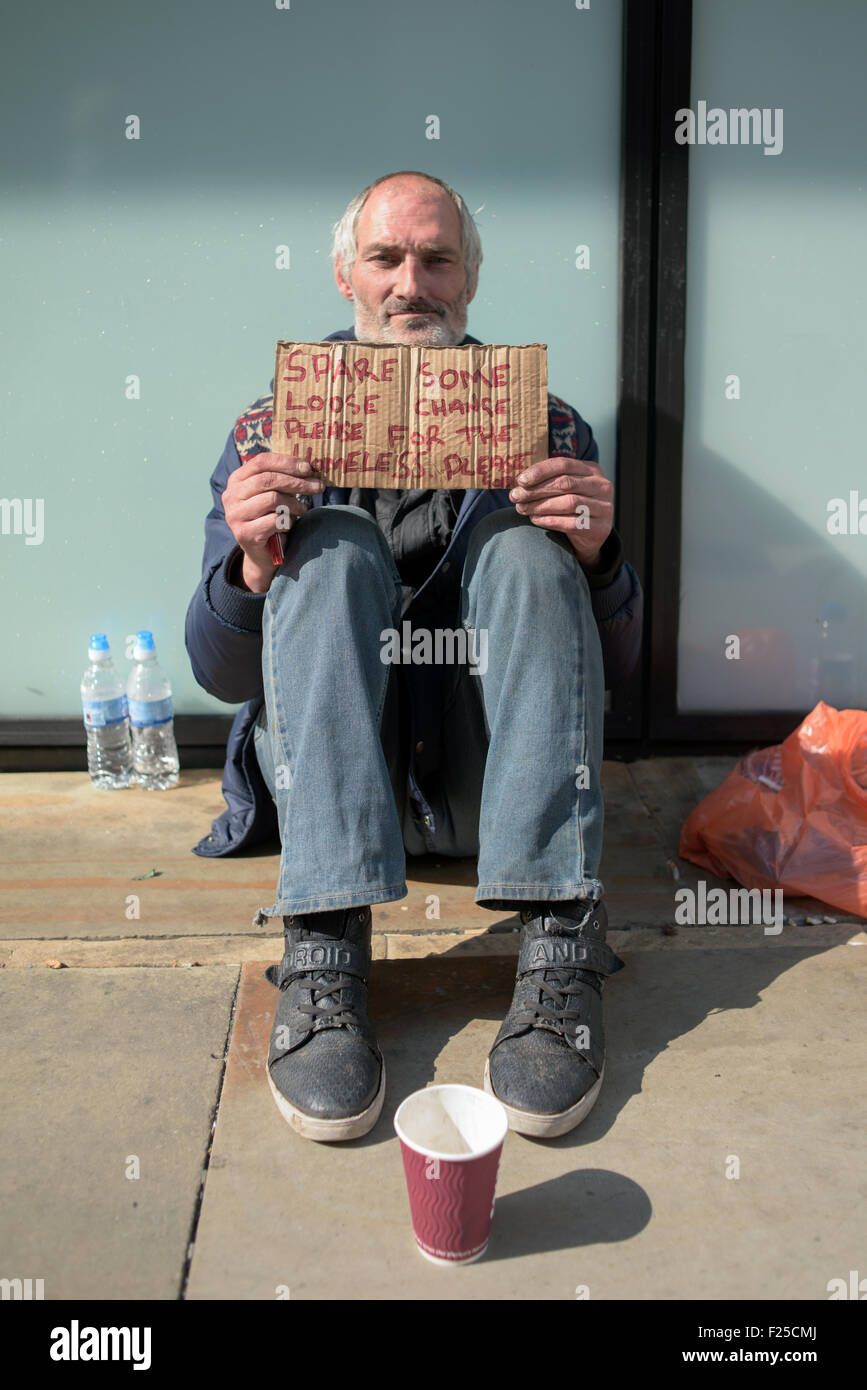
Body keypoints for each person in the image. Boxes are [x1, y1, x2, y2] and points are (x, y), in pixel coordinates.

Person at [185, 170, 643, 1143]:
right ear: (346, 275)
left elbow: (618, 676)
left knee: (525, 550)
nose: (411, 284)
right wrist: (252, 566)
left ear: (470, 281)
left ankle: (558, 937)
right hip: (338, 801)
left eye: (437, 260)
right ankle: (324, 946)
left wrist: (600, 561)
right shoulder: (270, 434)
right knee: (334, 551)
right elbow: (219, 674)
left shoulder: (550, 428)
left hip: (500, 791)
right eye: (387, 258)